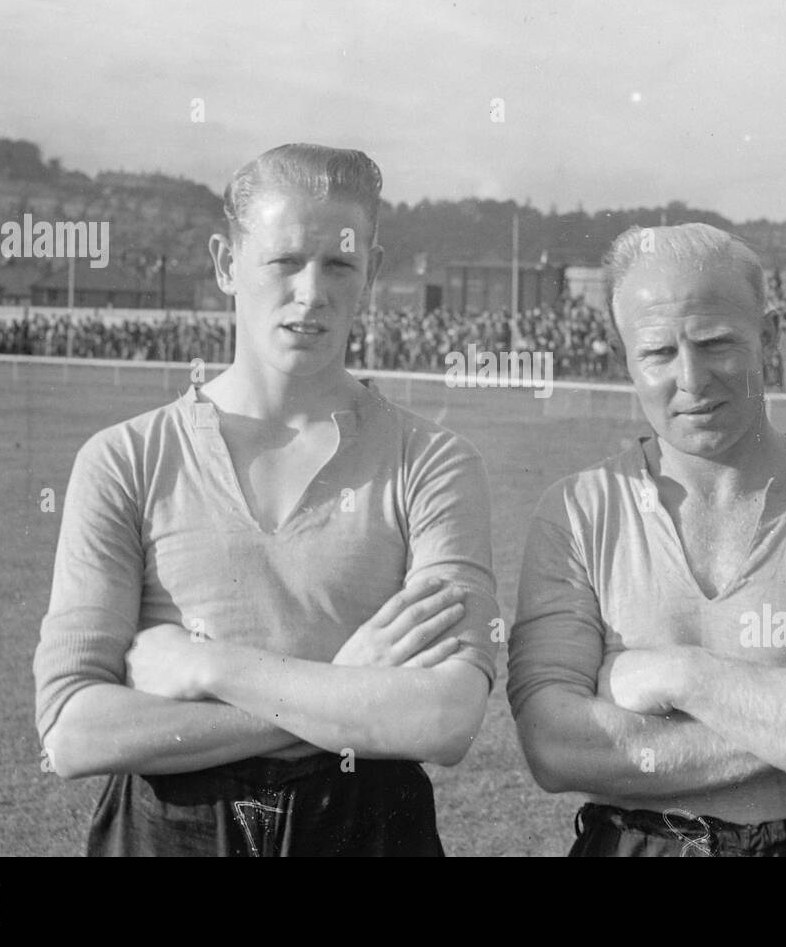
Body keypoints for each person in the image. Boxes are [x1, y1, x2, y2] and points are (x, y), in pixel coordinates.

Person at [33, 143, 499, 856]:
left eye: (339, 264)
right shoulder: (124, 459)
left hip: (364, 823)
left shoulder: (432, 464)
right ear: (227, 264)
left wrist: (210, 668)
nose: (311, 292)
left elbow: (443, 718)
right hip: (166, 829)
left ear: (372, 272)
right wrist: (343, 688)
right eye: (284, 260)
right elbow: (74, 729)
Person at [507, 223, 786, 857]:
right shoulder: (579, 511)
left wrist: (677, 675)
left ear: (769, 339)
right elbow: (556, 748)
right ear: (626, 360)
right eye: (658, 354)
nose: (691, 379)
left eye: (716, 343)